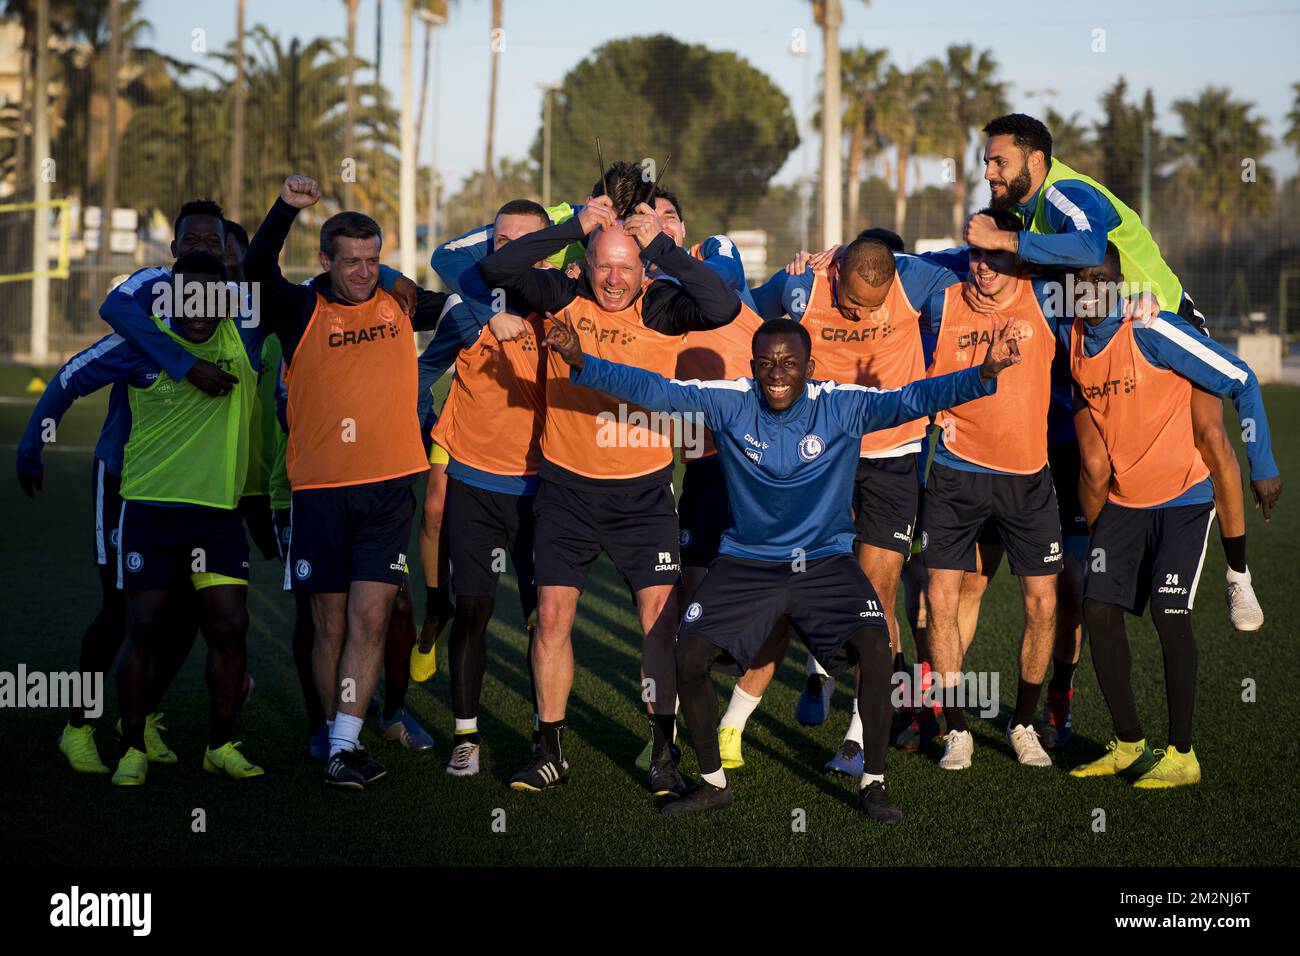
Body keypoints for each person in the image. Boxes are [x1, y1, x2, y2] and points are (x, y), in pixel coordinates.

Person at [545, 314, 1020, 818]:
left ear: (809, 367)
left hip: (825, 562)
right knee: (687, 658)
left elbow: (911, 399)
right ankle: (711, 781)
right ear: (752, 367)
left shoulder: (839, 406)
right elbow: (656, 391)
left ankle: (874, 783)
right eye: (766, 363)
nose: (777, 373)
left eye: (789, 363)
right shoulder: (729, 402)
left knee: (877, 649)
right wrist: (581, 362)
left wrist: (983, 374)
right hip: (748, 562)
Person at [477, 192, 739, 796]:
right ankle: (548, 749)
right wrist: (573, 226)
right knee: (551, 617)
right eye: (604, 265)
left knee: (659, 622)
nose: (615, 279)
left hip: (643, 494)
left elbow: (722, 304)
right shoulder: (564, 295)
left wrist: (662, 244)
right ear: (584, 264)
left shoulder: (662, 306)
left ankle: (663, 752)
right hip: (567, 490)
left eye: (627, 266)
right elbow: (496, 271)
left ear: (644, 268)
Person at [968, 112, 1265, 631]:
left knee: (1213, 438)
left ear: (1035, 162)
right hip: (1105, 342)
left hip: (1164, 320)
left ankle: (1238, 576)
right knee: (1096, 464)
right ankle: (1114, 560)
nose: (989, 171)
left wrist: (1007, 243)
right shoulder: (1030, 210)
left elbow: (1088, 245)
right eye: (987, 161)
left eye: (1000, 160)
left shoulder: (1062, 194)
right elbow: (984, 261)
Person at [238, 175, 463, 788]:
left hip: (391, 488)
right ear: (326, 260)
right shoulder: (301, 307)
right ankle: (335, 733)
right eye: (352, 262)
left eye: (373, 261)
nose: (363, 273)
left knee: (369, 620)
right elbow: (255, 271)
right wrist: (285, 207)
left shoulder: (401, 302)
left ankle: (343, 745)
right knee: (329, 624)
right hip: (318, 491)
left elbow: (476, 305)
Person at [734, 236, 956, 773]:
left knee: (875, 593)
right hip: (823, 456)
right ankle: (807, 674)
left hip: (895, 457)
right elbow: (741, 308)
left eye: (874, 307)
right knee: (798, 577)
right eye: (854, 305)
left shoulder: (916, 279)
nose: (863, 317)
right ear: (837, 276)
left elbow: (982, 288)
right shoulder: (802, 284)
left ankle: (857, 740)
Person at [1062, 245, 1281, 787]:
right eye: (1079, 280)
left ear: (1116, 285)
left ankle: (1182, 754)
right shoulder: (1073, 339)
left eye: (1100, 279)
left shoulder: (1151, 329)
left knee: (1168, 611)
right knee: (1098, 609)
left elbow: (1241, 377)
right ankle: (1129, 742)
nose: (1089, 289)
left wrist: (1264, 463)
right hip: (1124, 503)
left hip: (1184, 498)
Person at [95, 251, 284, 785]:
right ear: (171, 296)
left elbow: (284, 279)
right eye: (188, 295)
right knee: (146, 626)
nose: (200, 306)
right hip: (151, 509)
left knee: (231, 625)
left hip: (218, 512)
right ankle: (132, 745)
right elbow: (110, 313)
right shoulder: (146, 337)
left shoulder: (242, 332)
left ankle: (219, 744)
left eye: (213, 295)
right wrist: (34, 445)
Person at [428, 198, 553, 776]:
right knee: (473, 609)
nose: (512, 251)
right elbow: (421, 373)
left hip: (546, 490)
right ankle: (467, 736)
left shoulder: (567, 308)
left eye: (528, 240)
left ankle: (542, 735)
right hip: (474, 483)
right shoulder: (469, 306)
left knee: (545, 620)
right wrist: (425, 431)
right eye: (501, 241)